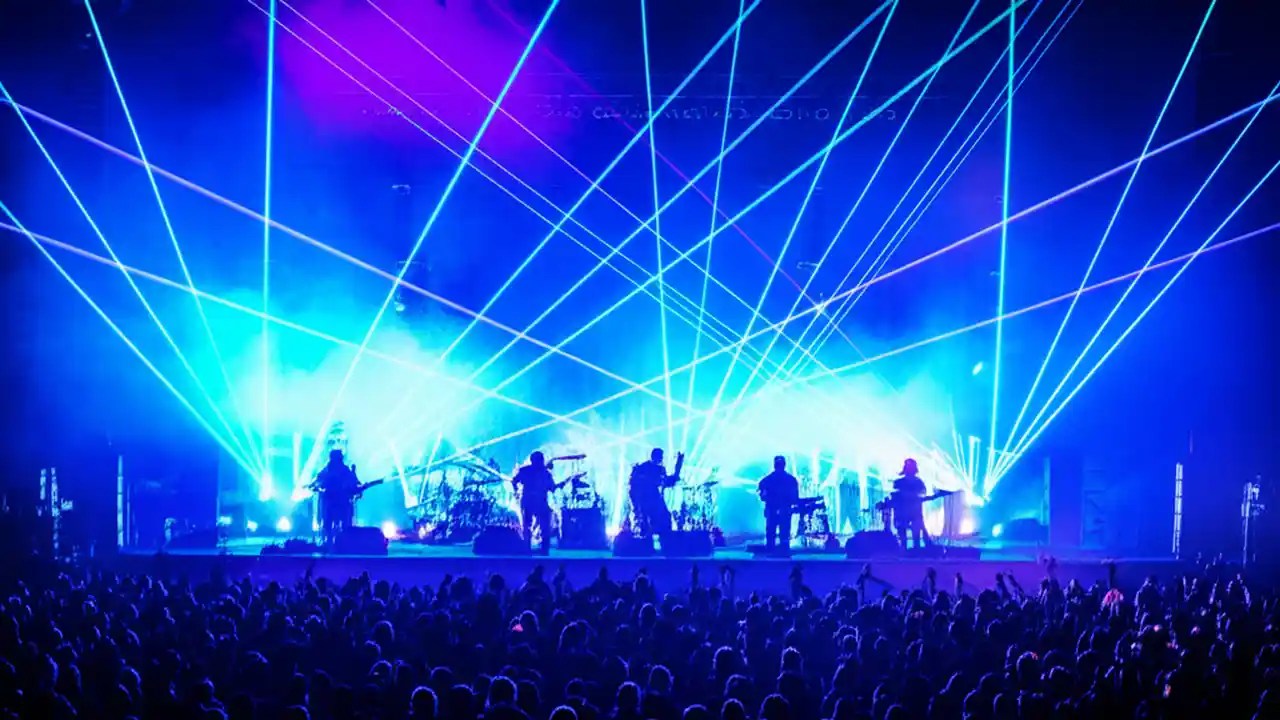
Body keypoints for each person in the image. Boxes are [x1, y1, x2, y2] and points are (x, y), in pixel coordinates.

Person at [629, 448, 682, 537]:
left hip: (656, 498)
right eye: (660, 456)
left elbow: (666, 481)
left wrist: (678, 465)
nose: (662, 458)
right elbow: (635, 482)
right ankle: (645, 541)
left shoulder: (661, 469)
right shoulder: (644, 467)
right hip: (645, 499)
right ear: (655, 456)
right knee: (646, 522)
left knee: (665, 517)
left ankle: (664, 540)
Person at [313, 449, 360, 547]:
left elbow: (354, 481)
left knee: (342, 522)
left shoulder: (342, 470)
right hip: (332, 500)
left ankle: (340, 541)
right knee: (329, 523)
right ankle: (330, 541)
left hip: (339, 501)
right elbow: (319, 480)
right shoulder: (328, 470)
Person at [512, 451, 556, 554]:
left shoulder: (525, 470)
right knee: (543, 525)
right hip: (539, 502)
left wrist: (516, 491)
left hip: (529, 501)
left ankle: (527, 548)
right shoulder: (545, 473)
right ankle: (544, 549)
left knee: (528, 525)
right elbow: (552, 488)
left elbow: (514, 481)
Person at [758, 456, 799, 554]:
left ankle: (771, 552)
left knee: (771, 533)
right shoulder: (791, 480)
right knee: (784, 533)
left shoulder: (766, 480)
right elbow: (795, 498)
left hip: (773, 510)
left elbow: (762, 496)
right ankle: (783, 552)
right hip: (784, 510)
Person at [892, 458, 930, 549]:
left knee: (914, 538)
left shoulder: (918, 482)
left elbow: (923, 493)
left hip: (913, 513)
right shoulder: (899, 483)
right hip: (903, 513)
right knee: (904, 537)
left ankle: (912, 552)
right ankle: (908, 552)